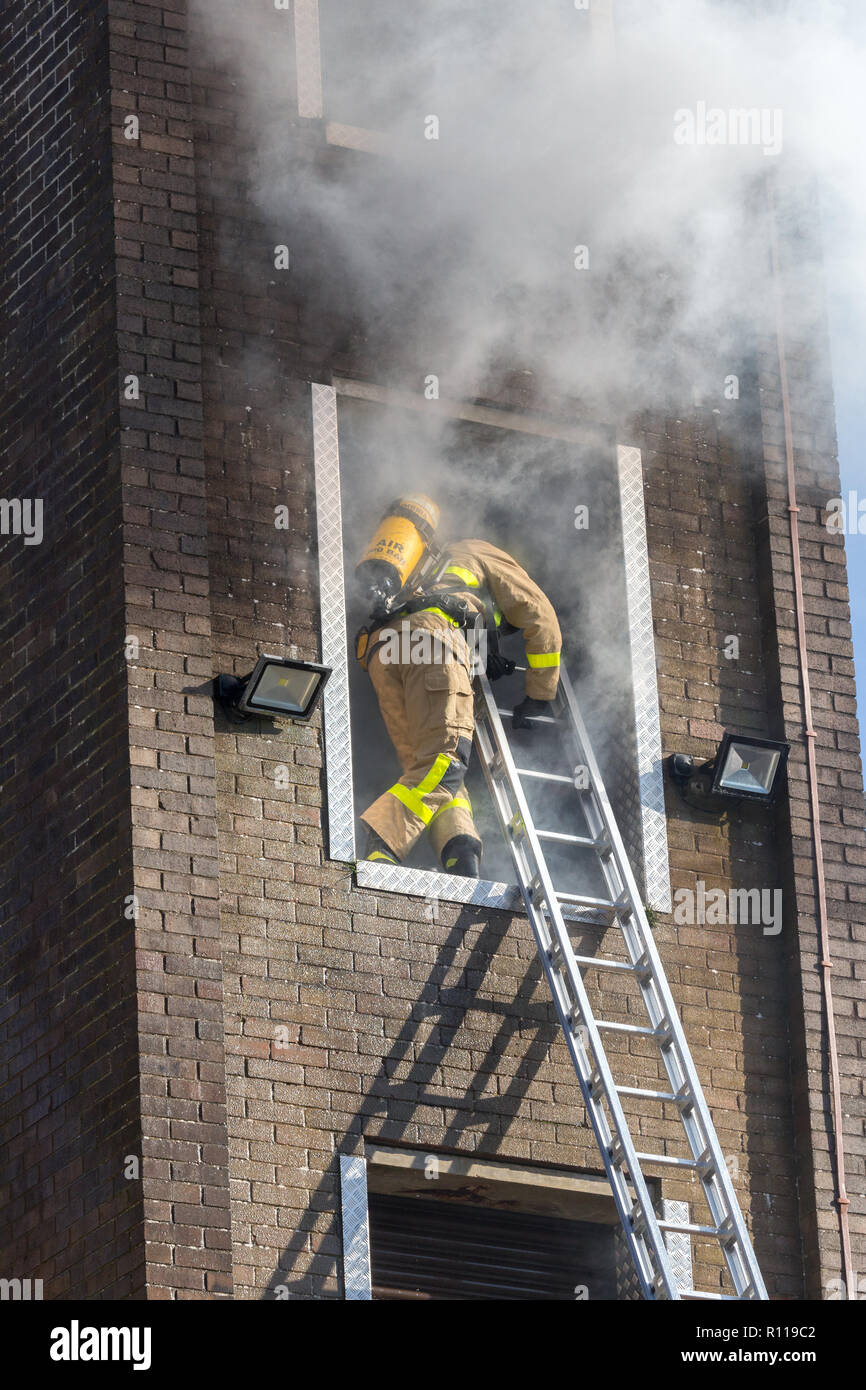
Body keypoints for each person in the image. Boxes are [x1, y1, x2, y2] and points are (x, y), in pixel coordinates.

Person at [355, 497, 562, 878]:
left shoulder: (421, 568)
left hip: (384, 652)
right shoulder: (481, 552)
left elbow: (458, 612)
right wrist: (540, 694)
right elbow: (540, 617)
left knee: (428, 768)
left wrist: (482, 649)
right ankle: (382, 842)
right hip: (431, 641)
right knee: (446, 759)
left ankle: (460, 853)